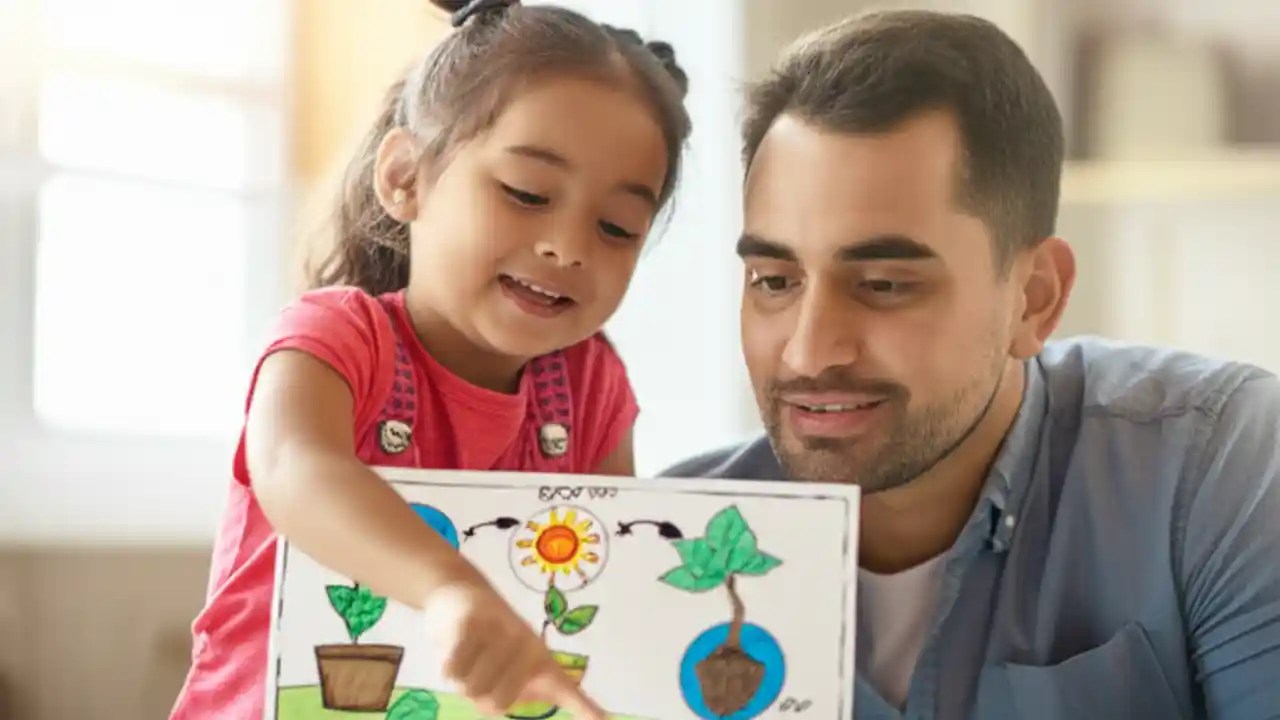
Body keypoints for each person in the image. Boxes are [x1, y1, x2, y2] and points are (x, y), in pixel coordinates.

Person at [667, 10, 1279, 719]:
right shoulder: (669, 543)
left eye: (885, 285)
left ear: (1033, 299)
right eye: (775, 281)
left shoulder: (1212, 466)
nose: (808, 351)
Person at [169, 1, 690, 717]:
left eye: (616, 227)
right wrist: (449, 586)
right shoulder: (336, 340)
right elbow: (295, 471)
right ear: (406, 176)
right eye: (527, 193)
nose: (569, 247)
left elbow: (604, 585)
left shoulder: (595, 387)